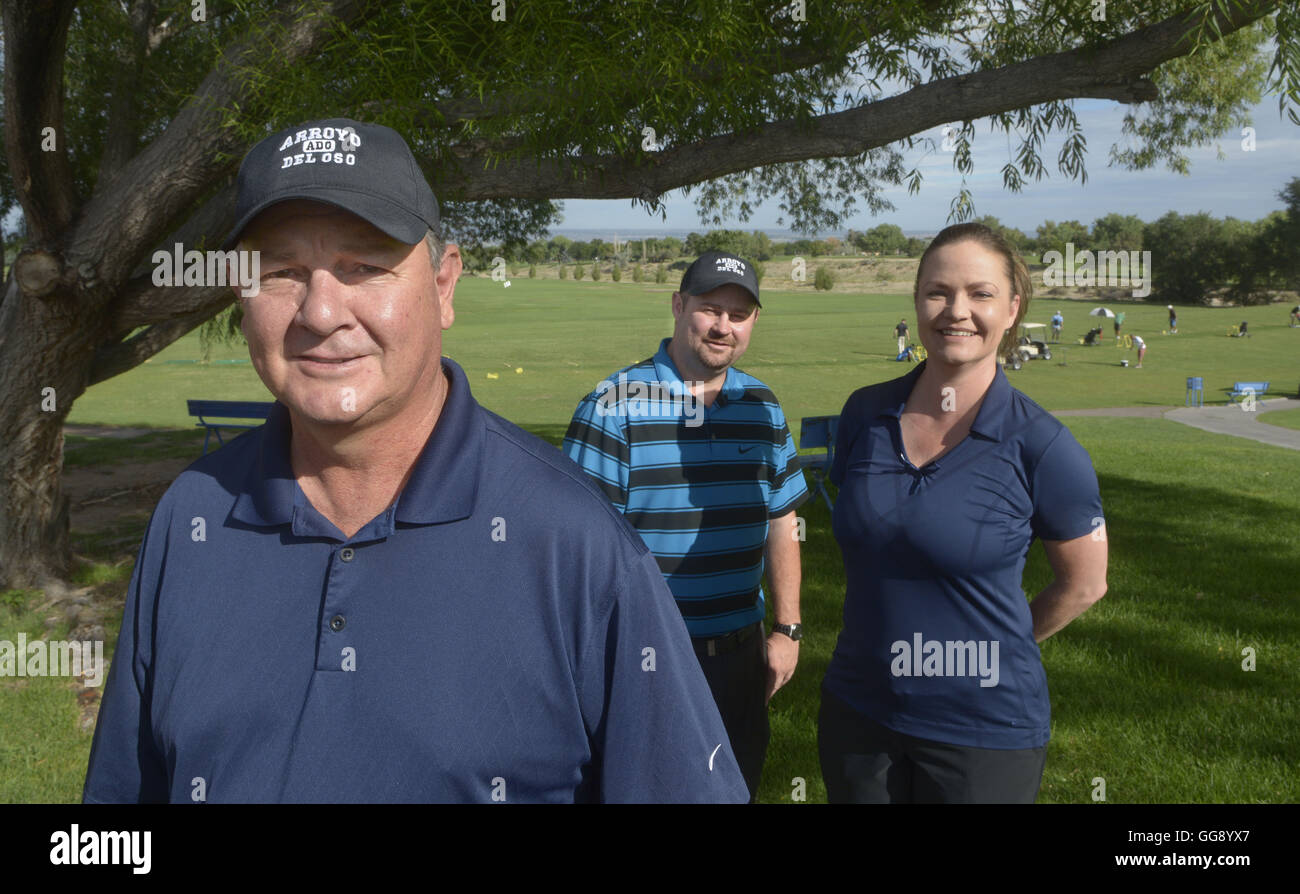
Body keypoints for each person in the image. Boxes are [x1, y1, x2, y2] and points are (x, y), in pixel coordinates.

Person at [82, 118, 749, 804]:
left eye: (364, 266)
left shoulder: (576, 546)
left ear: (443, 285)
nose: (319, 311)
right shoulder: (191, 515)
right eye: (280, 271)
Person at [818, 222, 1108, 803]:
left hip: (982, 730)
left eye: (980, 293)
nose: (957, 311)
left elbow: (1084, 585)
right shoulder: (865, 413)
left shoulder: (1042, 445)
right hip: (858, 712)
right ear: (917, 301)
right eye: (938, 292)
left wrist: (995, 649)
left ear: (1012, 309)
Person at [563, 251, 809, 801]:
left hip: (742, 657)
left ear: (753, 323)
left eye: (738, 314)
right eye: (710, 308)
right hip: (646, 658)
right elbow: (576, 554)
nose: (723, 326)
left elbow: (782, 518)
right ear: (679, 306)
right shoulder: (613, 407)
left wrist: (787, 629)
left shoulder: (761, 406)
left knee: (734, 787)